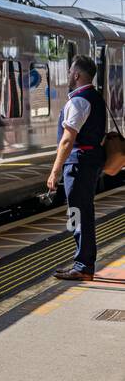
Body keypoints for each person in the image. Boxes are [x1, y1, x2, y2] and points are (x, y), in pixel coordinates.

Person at [47, 54, 108, 281]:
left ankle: (82, 265)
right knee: (82, 212)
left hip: (78, 164)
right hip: (87, 163)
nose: (69, 76)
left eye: (71, 71)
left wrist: (55, 170)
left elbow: (67, 139)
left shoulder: (79, 101)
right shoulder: (95, 98)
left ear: (76, 75)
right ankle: (82, 262)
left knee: (78, 213)